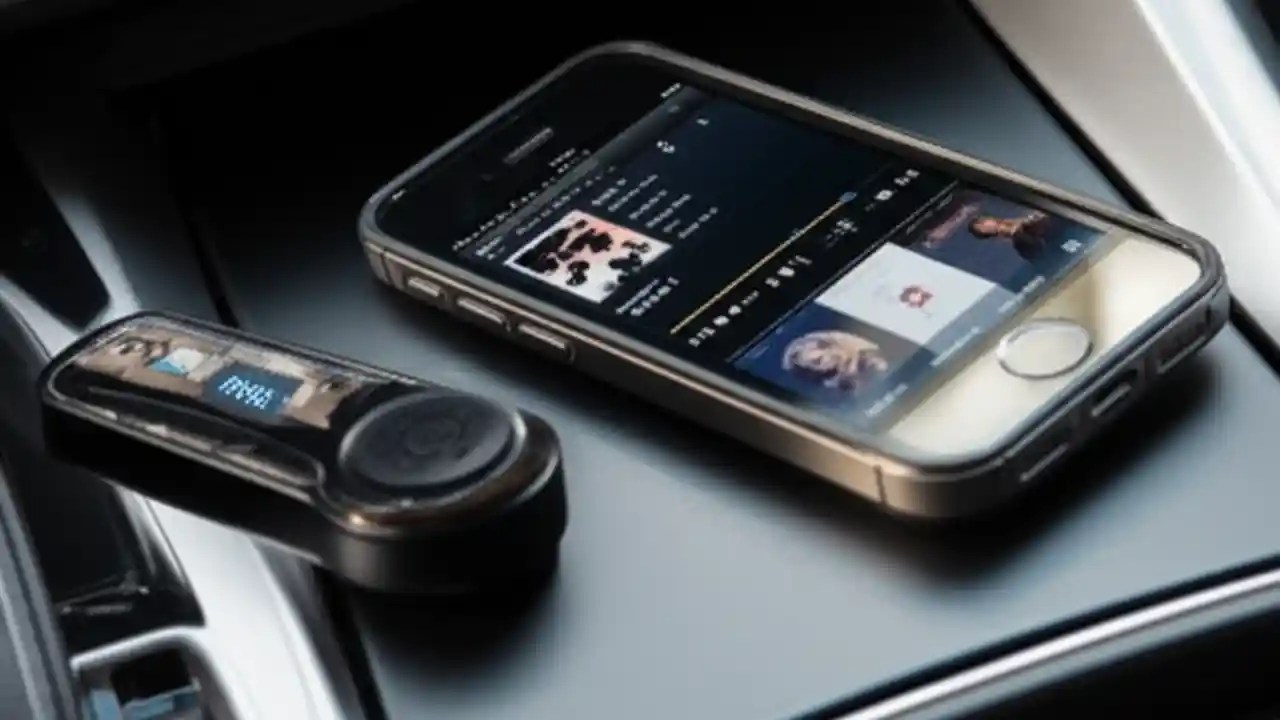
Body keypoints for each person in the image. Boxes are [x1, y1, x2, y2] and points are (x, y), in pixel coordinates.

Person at [782, 330, 889, 394]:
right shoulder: (845, 382)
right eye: (817, 361)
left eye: (821, 345)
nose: (828, 354)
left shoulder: (862, 350)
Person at [967, 210, 1050, 259]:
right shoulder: (1018, 242)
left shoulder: (1029, 218)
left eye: (982, 222)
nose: (985, 227)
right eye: (981, 229)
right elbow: (1039, 253)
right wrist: (1016, 233)